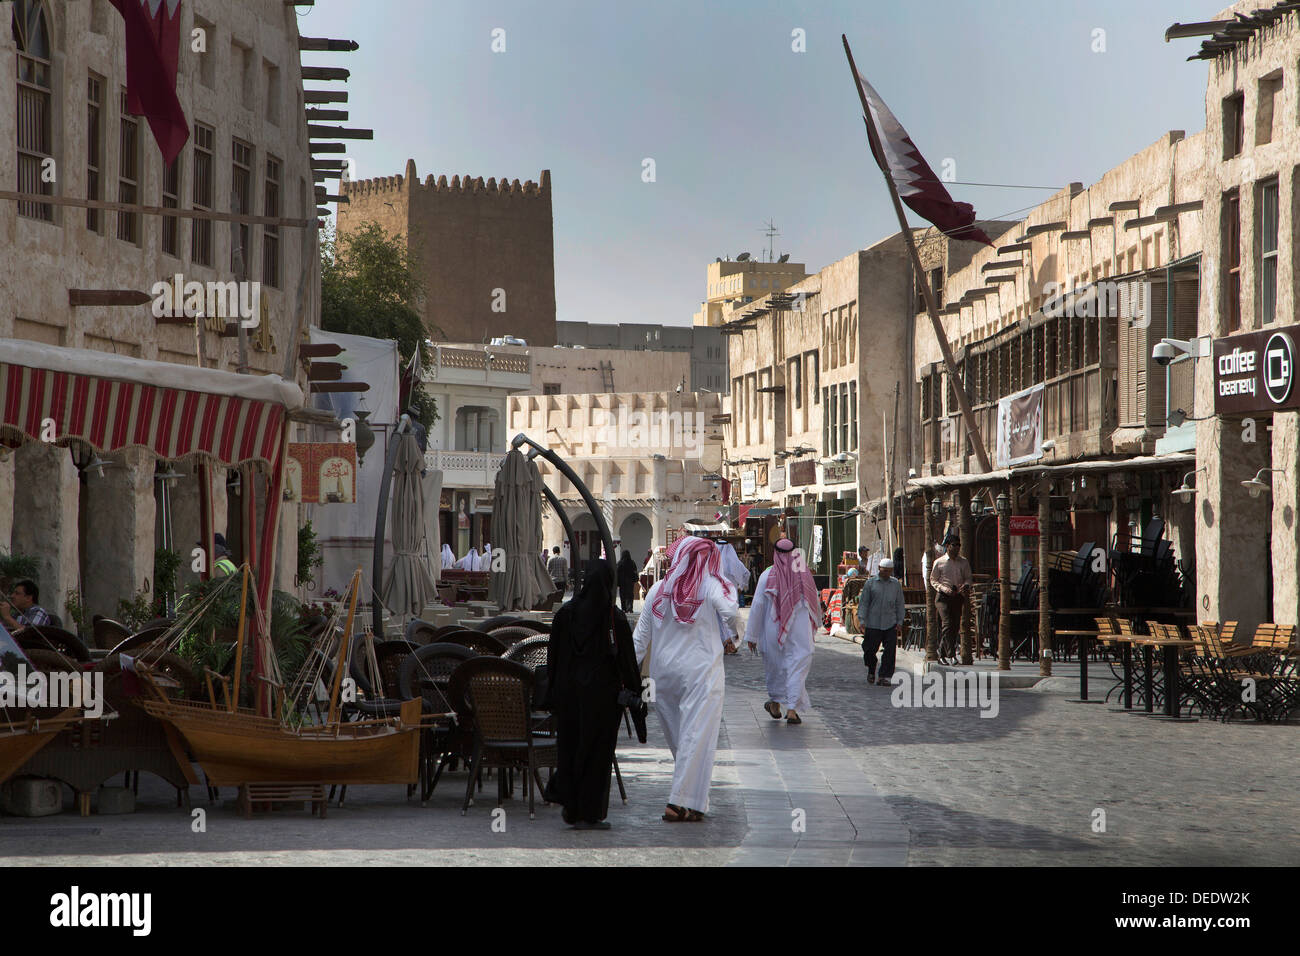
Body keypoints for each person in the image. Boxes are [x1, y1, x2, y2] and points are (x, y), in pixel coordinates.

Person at [633, 535, 739, 822]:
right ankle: (677, 801)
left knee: (682, 738)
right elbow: (730, 611)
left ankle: (694, 802)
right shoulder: (710, 585)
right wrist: (735, 637)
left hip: (662, 676)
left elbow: (639, 640)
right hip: (700, 672)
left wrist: (627, 676)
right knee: (696, 736)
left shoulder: (657, 589)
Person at [545, 559, 643, 830]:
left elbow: (553, 659)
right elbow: (627, 662)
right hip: (602, 699)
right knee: (597, 755)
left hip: (568, 697)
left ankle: (570, 805)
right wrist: (636, 696)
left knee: (570, 747)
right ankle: (589, 812)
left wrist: (553, 692)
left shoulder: (565, 615)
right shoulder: (613, 617)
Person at [746, 538, 819, 724]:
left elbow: (757, 607)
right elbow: (815, 605)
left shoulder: (767, 575)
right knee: (797, 667)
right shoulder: (805, 574)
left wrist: (752, 635)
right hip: (801, 633)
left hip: (774, 629)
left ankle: (776, 704)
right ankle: (792, 709)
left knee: (776, 668)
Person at [857, 558, 905, 685]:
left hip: (890, 623)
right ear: (879, 569)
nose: (886, 574)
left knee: (889, 652)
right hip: (873, 623)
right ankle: (871, 670)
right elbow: (864, 603)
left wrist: (900, 621)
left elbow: (899, 604)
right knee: (869, 650)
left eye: (889, 571)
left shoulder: (895, 585)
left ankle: (884, 676)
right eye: (884, 571)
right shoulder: (870, 583)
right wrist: (862, 619)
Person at [930, 534, 972, 658]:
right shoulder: (939, 562)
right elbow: (933, 580)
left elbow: (968, 578)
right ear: (947, 546)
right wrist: (943, 588)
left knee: (954, 626)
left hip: (957, 596)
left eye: (959, 545)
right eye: (954, 545)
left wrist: (966, 585)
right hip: (943, 597)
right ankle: (951, 654)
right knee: (947, 623)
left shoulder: (963, 562)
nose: (957, 548)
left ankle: (942, 653)